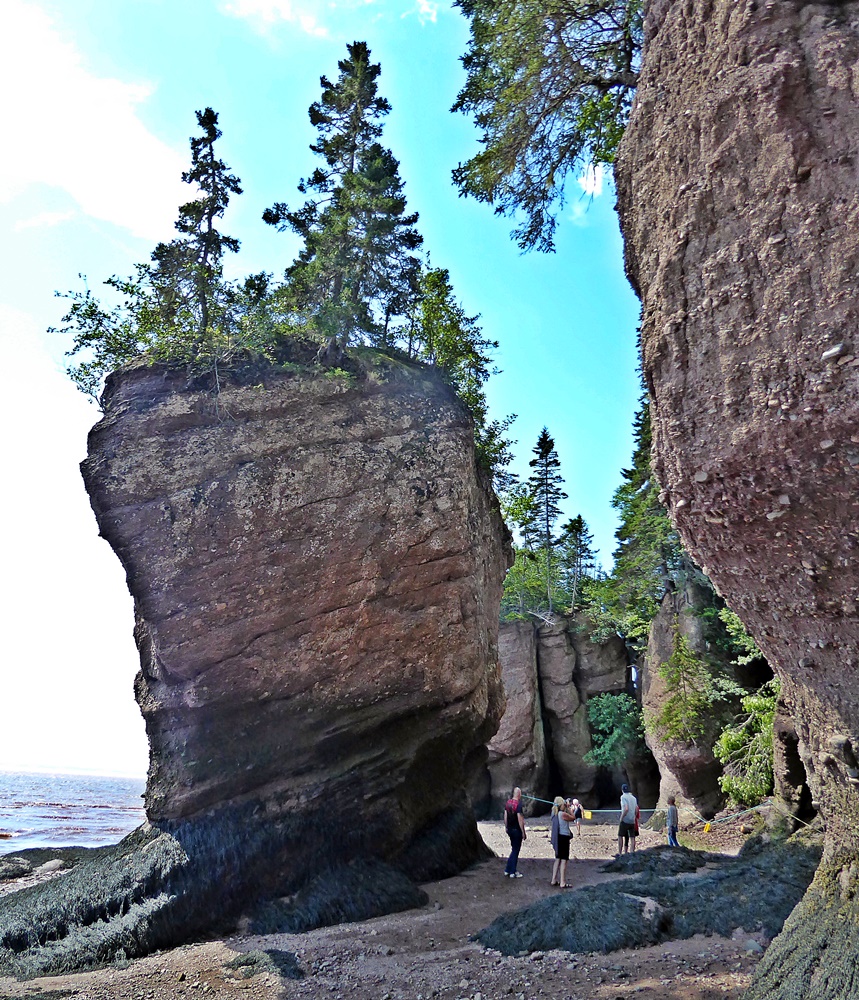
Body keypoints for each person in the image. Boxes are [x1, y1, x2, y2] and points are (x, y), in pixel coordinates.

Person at [549, 796, 574, 888]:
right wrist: (568, 807)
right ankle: (562, 882)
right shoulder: (563, 814)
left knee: (557, 859)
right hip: (564, 838)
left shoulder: (554, 814)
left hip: (558, 838)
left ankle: (553, 879)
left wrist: (565, 805)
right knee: (564, 860)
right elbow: (573, 817)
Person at [503, 787, 526, 877]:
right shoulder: (518, 805)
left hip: (510, 829)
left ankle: (508, 870)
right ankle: (512, 871)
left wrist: (506, 827)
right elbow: (520, 820)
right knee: (515, 850)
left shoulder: (508, 803)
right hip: (517, 830)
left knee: (513, 849)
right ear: (519, 794)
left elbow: (505, 816)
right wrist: (523, 832)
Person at [617, 783, 638, 855]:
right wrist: (634, 816)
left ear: (622, 790)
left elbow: (626, 808)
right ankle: (632, 852)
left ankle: (620, 853)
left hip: (625, 820)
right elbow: (636, 809)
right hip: (632, 820)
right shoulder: (634, 798)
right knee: (632, 837)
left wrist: (621, 817)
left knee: (620, 836)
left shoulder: (623, 797)